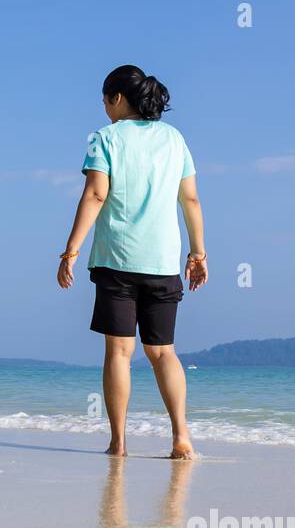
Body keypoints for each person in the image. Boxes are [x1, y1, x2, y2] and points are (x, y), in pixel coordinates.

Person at [57, 65, 207, 459]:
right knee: (163, 353)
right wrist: (198, 252)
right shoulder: (175, 139)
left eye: (105, 100)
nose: (104, 108)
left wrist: (70, 250)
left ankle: (119, 443)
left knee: (119, 353)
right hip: (163, 262)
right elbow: (189, 199)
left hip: (117, 261)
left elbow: (94, 195)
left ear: (117, 99)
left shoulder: (104, 138)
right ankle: (181, 438)